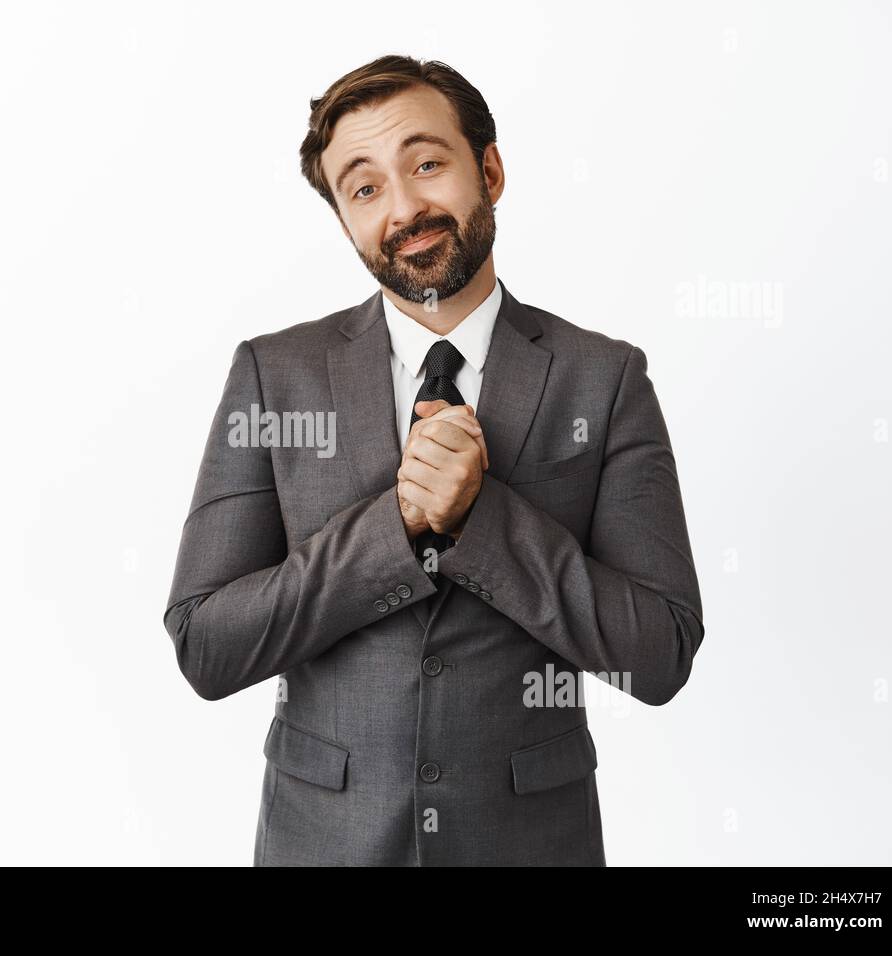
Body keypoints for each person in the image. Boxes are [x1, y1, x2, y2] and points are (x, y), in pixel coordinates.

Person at [163, 54, 705, 866]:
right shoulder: (274, 376)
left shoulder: (606, 377)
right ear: (344, 218)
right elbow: (206, 643)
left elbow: (658, 653)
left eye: (426, 163)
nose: (405, 207)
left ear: (488, 168)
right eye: (365, 187)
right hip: (325, 843)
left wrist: (482, 519)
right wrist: (397, 524)